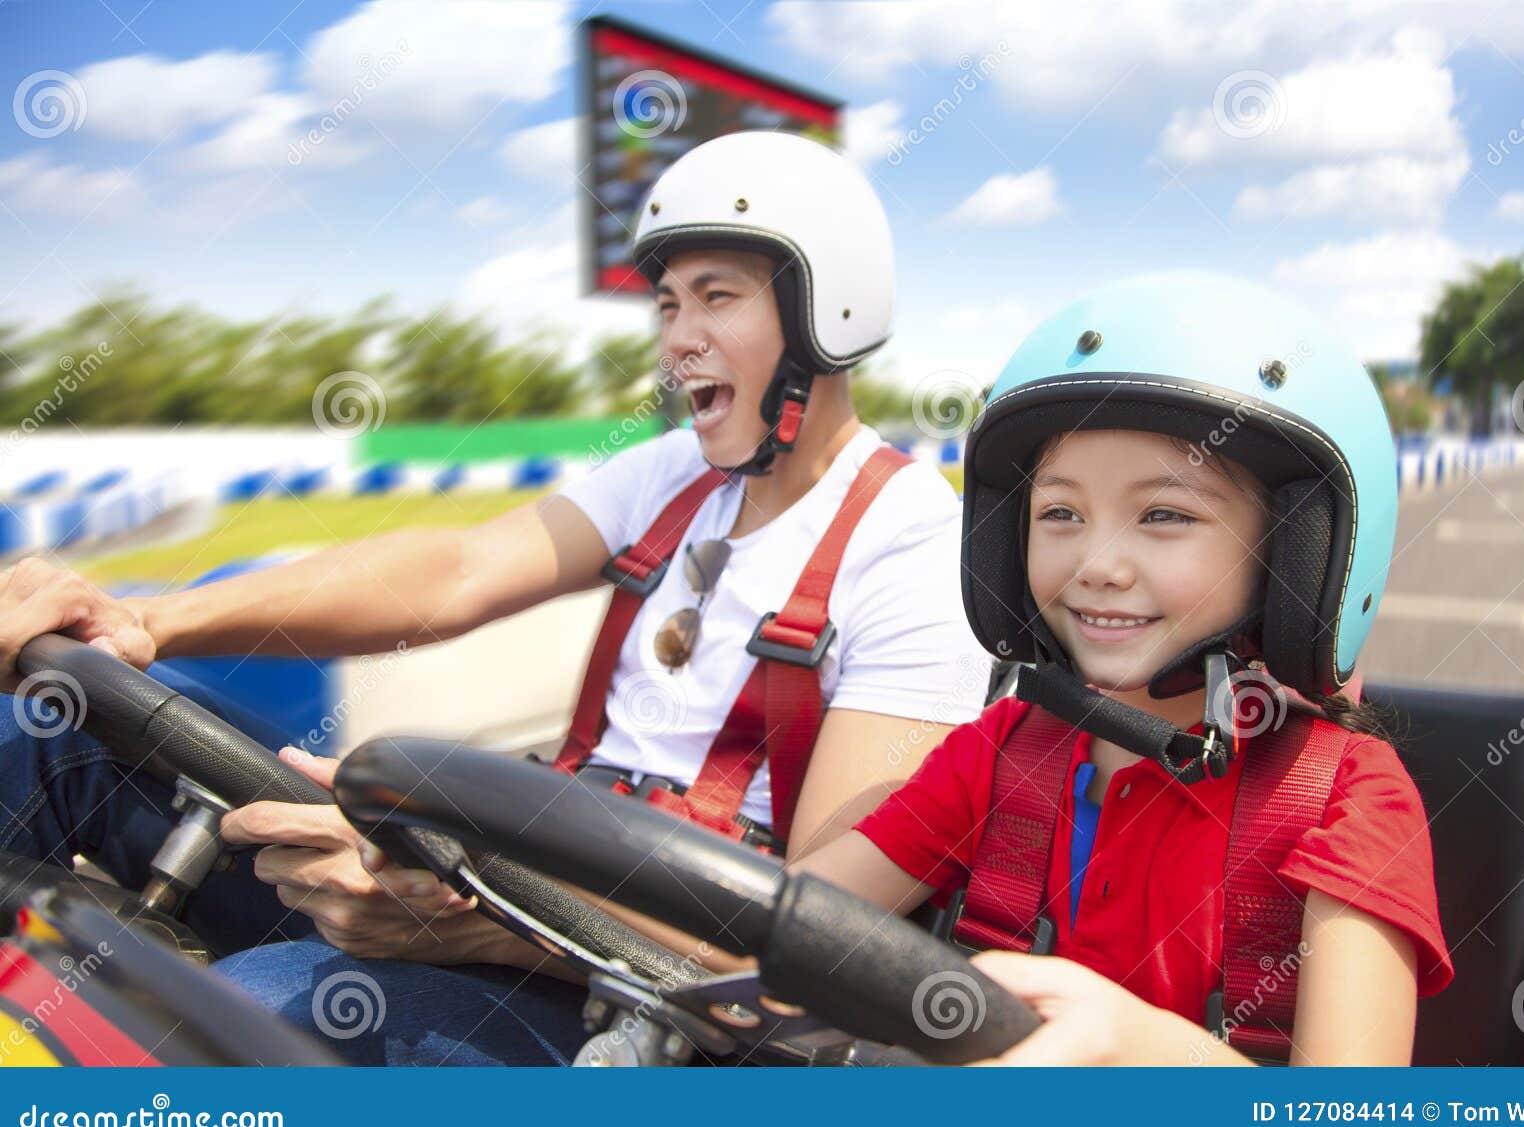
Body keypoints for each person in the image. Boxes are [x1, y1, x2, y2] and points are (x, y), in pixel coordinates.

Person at [0, 131, 990, 1064]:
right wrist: (148, 622)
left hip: (650, 993)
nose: (677, 340)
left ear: (831, 312)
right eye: (667, 305)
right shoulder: (670, 475)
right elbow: (460, 570)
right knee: (57, 727)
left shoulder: (911, 546)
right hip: (489, 874)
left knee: (256, 1013)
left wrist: (492, 913)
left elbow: (820, 935)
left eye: (716, 298)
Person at [791, 272, 1455, 1065]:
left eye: (1164, 515)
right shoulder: (1001, 752)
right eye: (1061, 513)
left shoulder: (1346, 801)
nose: (1097, 564)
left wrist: (1136, 1050)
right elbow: (793, 929)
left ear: (1291, 559)